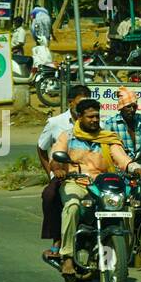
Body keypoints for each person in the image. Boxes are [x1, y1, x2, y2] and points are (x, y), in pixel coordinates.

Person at [51, 97, 141, 276]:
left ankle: (121, 252)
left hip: (101, 185)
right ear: (80, 117)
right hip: (76, 182)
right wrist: (57, 168)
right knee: (71, 207)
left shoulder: (107, 138)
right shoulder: (68, 136)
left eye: (97, 116)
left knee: (124, 207)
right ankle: (68, 257)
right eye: (90, 117)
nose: (95, 120)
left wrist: (136, 168)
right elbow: (56, 156)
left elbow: (121, 157)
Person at [36, 84, 92, 262]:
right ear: (70, 103)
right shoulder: (56, 124)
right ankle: (58, 240)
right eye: (79, 104)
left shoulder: (96, 123)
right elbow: (42, 148)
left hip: (90, 175)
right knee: (50, 196)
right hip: (64, 175)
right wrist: (51, 173)